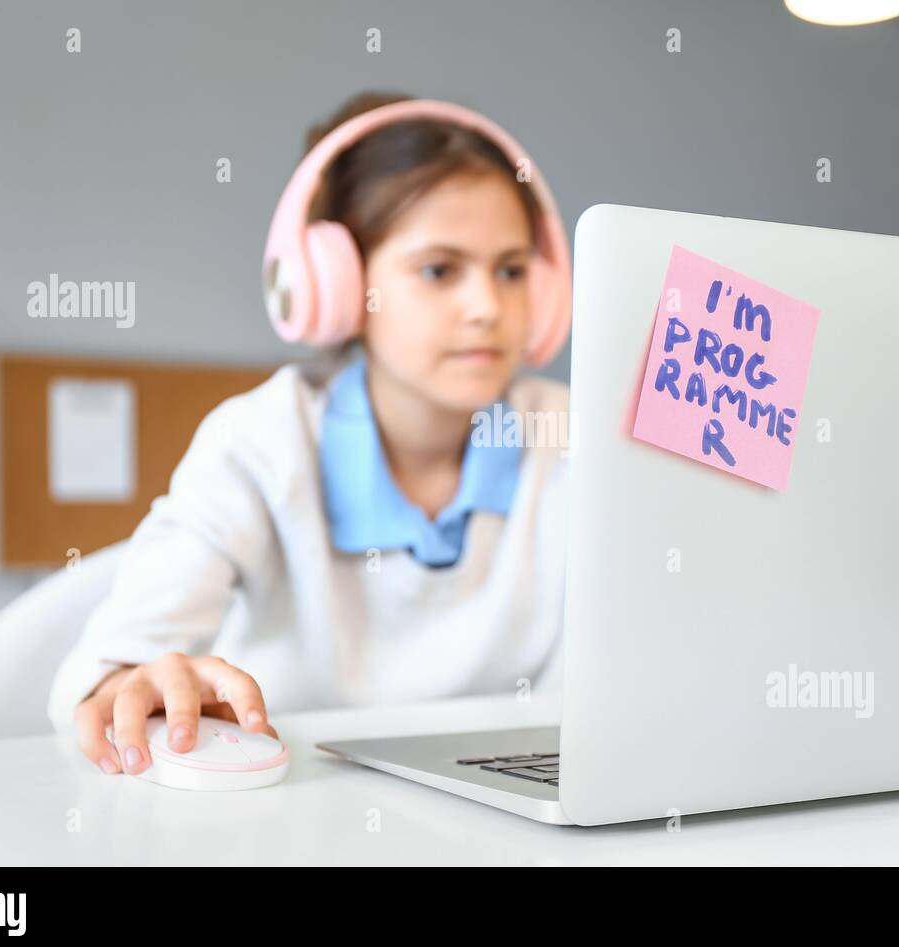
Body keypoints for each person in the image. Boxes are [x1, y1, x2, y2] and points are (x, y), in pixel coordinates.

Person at [47, 92, 572, 777]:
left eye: (511, 270)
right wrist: (128, 683)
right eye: (439, 270)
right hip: (291, 810)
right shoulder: (259, 443)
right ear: (337, 286)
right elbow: (109, 670)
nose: (486, 307)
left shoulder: (575, 437)